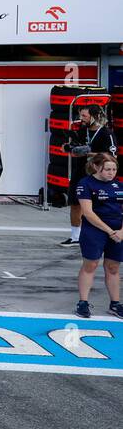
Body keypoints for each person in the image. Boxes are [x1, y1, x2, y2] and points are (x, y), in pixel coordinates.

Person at [73, 153, 123, 319]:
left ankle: (115, 303)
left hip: (118, 231)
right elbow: (87, 212)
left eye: (114, 169)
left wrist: (121, 231)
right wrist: (109, 231)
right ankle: (83, 303)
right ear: (96, 167)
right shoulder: (85, 184)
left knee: (113, 267)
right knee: (91, 265)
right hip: (95, 230)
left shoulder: (119, 185)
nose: (111, 172)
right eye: (107, 169)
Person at [62, 104, 116, 247]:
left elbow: (112, 155)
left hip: (98, 175)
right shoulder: (82, 130)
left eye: (84, 116)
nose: (81, 119)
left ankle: (104, 233)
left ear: (95, 116)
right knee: (74, 203)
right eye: (80, 116)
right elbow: (72, 148)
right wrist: (69, 148)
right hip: (79, 172)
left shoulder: (106, 133)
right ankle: (75, 237)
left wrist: (89, 153)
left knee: (97, 206)